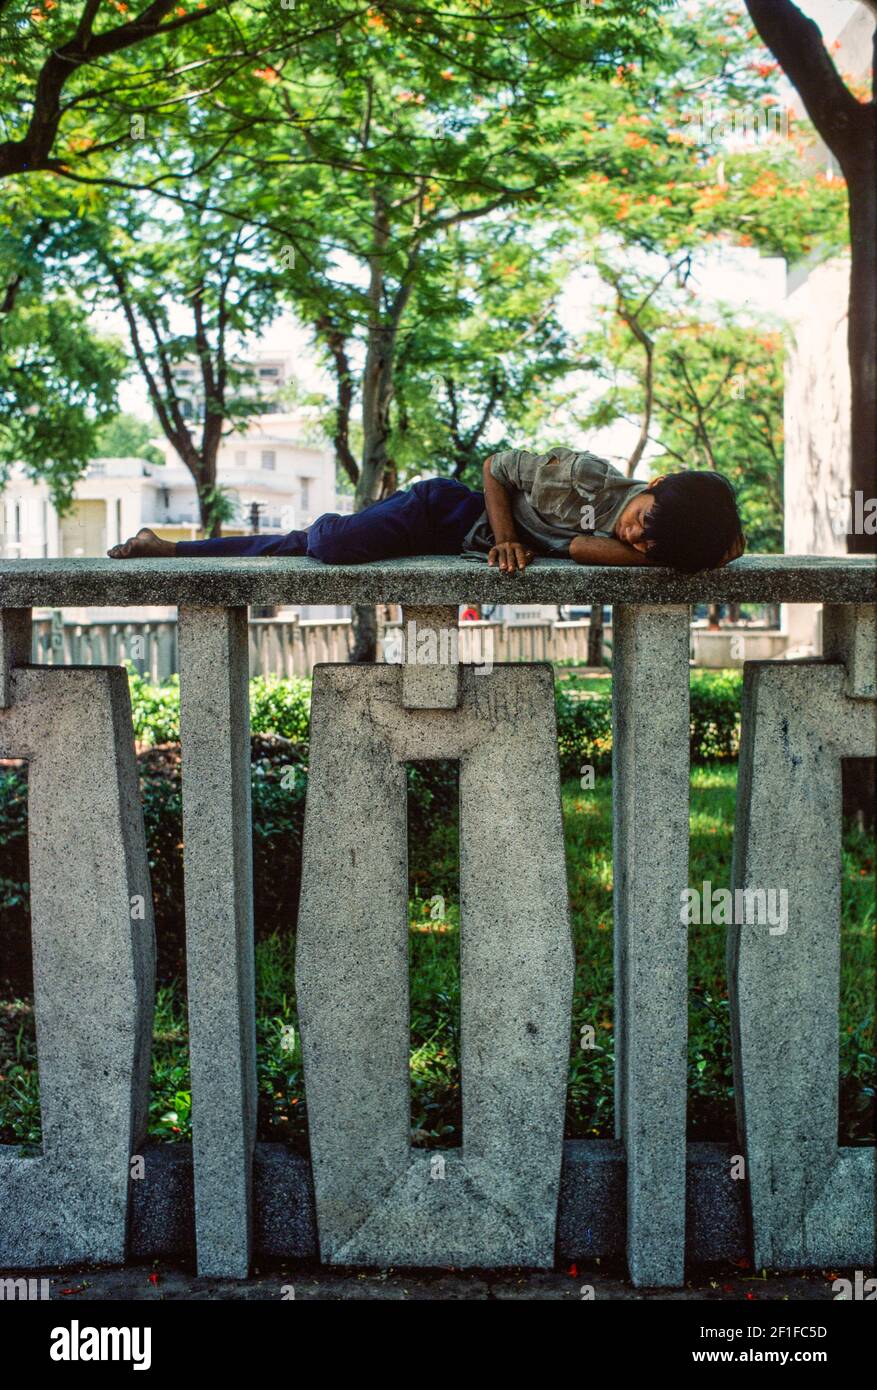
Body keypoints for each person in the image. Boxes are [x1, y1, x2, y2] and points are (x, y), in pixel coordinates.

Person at [108, 446, 745, 574]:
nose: (635, 540)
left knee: (293, 548)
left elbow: (583, 551)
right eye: (641, 524)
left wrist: (710, 550)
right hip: (438, 512)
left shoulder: (659, 541)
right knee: (321, 547)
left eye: (649, 548)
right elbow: (496, 465)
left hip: (453, 544)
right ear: (655, 483)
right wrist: (505, 539)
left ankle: (166, 547)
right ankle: (165, 547)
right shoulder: (582, 479)